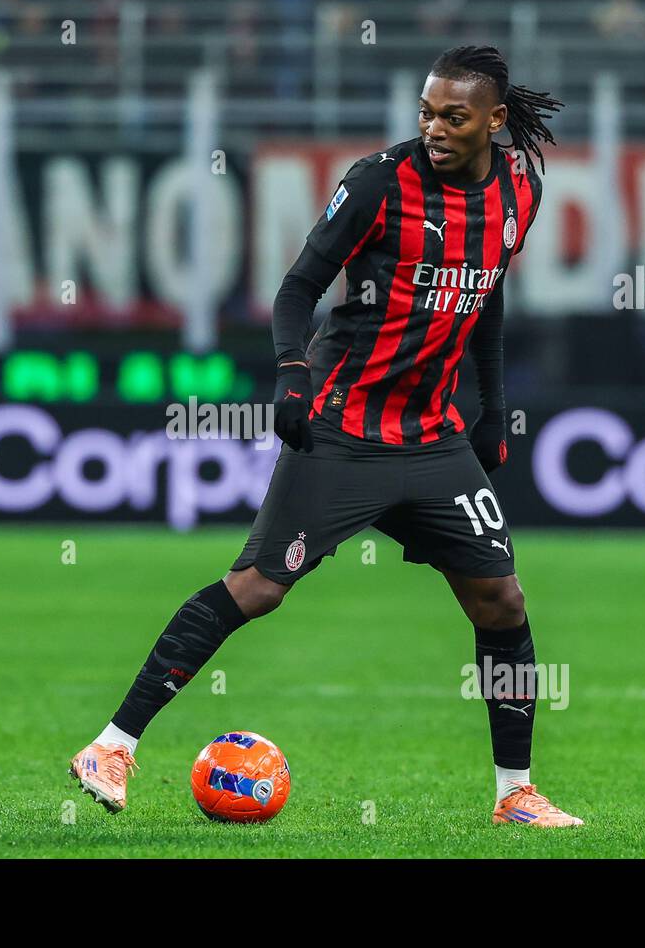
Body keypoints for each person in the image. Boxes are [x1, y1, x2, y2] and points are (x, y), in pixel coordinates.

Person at [70, 45, 582, 828]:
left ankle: (514, 792)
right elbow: (297, 287)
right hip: (344, 428)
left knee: (501, 600)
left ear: (495, 121)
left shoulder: (521, 190)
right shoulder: (379, 181)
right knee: (258, 589)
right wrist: (290, 372)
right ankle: (112, 745)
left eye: (454, 116)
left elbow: (488, 298)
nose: (435, 128)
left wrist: (494, 411)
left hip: (435, 436)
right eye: (427, 112)